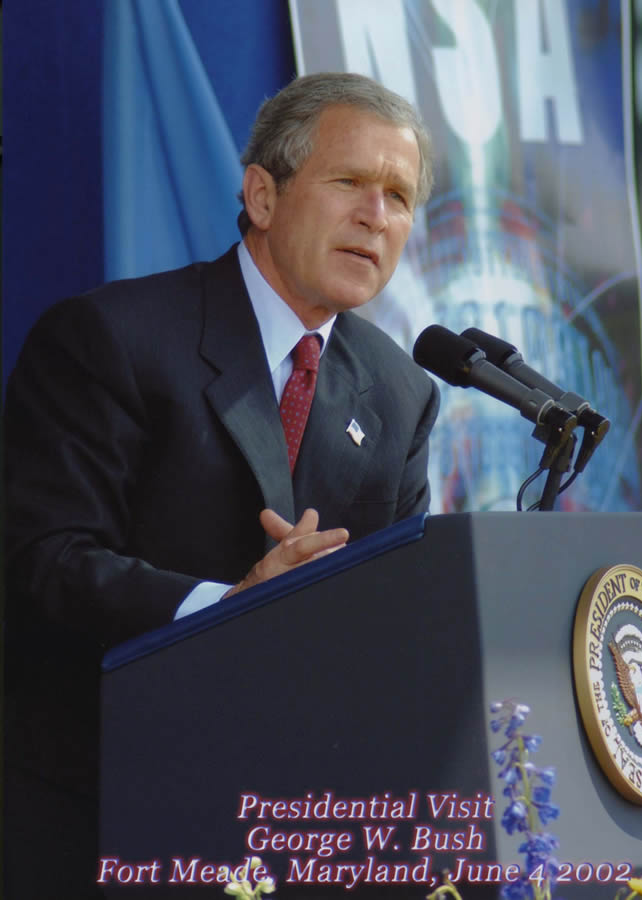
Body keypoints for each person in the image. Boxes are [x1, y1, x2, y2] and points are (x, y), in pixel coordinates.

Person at [3, 72, 438, 896]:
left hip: (292, 830)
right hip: (99, 814)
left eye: (398, 196)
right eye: (349, 182)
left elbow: (394, 604)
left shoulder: (401, 391)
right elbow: (41, 561)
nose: (375, 217)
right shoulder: (111, 338)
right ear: (262, 195)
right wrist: (227, 608)